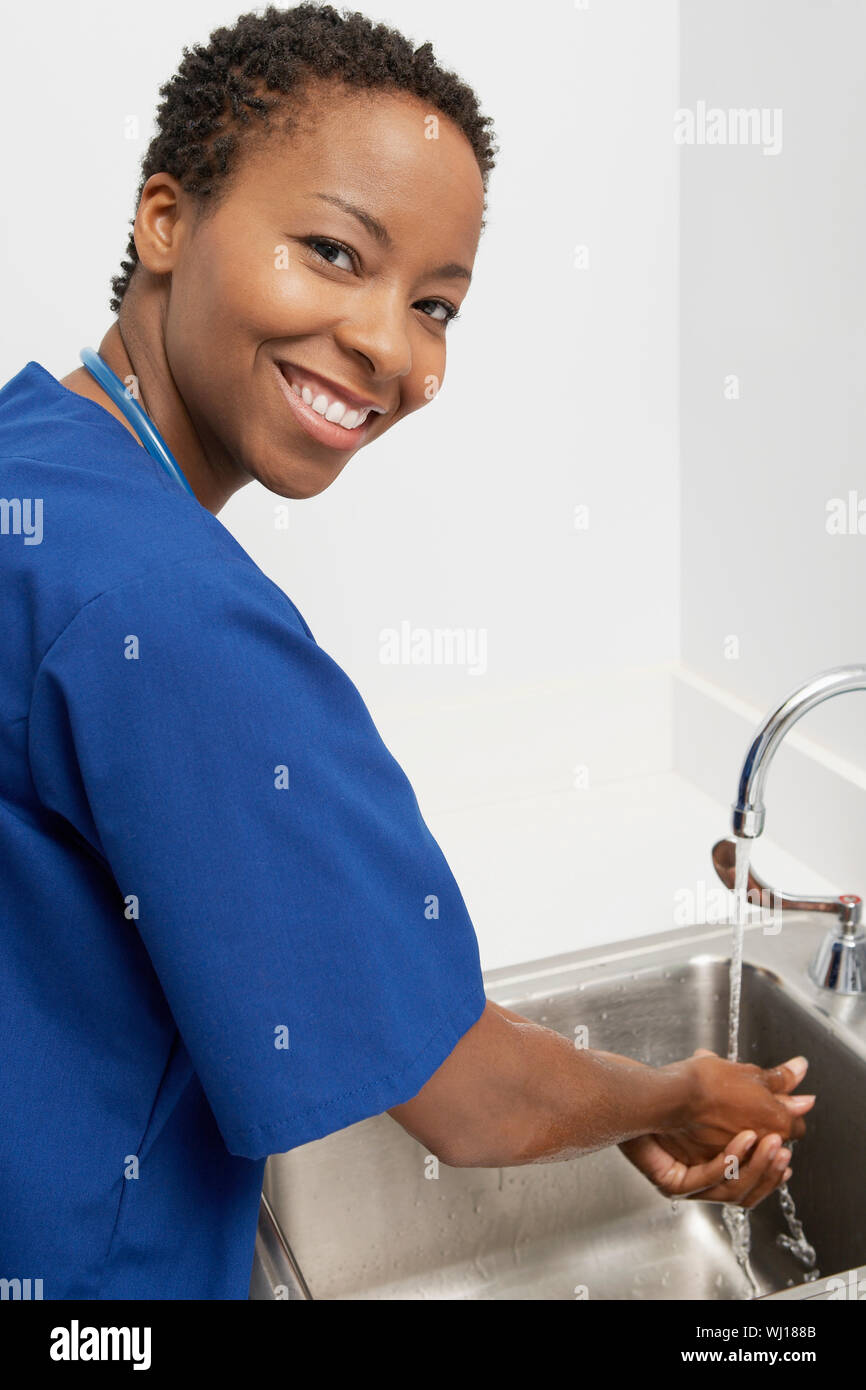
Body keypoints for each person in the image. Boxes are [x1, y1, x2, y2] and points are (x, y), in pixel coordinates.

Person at [0, 3, 813, 1300]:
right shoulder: (172, 610)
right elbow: (462, 1096)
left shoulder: (33, 464)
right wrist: (666, 1091)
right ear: (165, 219)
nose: (392, 346)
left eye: (434, 303)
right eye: (332, 251)